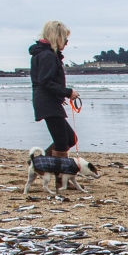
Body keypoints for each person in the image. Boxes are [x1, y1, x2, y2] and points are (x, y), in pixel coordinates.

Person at [30, 21, 81, 158]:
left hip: (47, 101)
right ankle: (59, 176)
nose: (66, 43)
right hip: (47, 103)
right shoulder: (48, 55)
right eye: (65, 39)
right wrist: (68, 92)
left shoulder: (43, 54)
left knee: (70, 139)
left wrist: (59, 96)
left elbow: (45, 81)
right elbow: (46, 81)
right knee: (62, 141)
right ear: (57, 37)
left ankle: (40, 164)